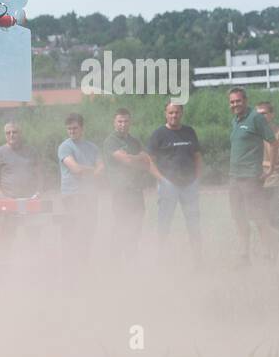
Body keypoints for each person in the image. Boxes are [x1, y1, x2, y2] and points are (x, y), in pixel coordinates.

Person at [227, 87, 279, 263]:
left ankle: (270, 254)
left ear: (245, 100)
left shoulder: (256, 118)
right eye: (232, 101)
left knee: (259, 219)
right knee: (239, 218)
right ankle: (244, 255)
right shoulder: (235, 120)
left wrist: (270, 168)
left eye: (238, 101)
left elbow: (273, 142)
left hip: (251, 178)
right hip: (234, 178)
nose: (235, 104)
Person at [146, 102, 203, 262]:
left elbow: (198, 157)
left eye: (177, 112)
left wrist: (197, 179)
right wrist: (162, 180)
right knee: (164, 223)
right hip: (168, 186)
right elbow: (149, 161)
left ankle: (198, 259)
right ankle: (161, 258)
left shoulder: (189, 132)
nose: (174, 116)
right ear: (165, 113)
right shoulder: (159, 134)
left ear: (181, 113)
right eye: (170, 113)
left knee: (194, 223)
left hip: (189, 185)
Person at [100, 108, 150, 256]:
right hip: (120, 192)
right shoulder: (110, 141)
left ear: (130, 122)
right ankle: (115, 264)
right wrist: (136, 158)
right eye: (120, 121)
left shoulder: (134, 141)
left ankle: (131, 259)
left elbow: (146, 162)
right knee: (121, 227)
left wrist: (133, 159)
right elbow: (127, 160)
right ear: (114, 123)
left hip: (136, 191)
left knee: (136, 227)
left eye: (126, 121)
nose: (123, 124)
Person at [57, 113, 104, 262]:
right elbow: (76, 169)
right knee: (74, 233)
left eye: (75, 128)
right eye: (69, 129)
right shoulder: (64, 147)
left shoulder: (92, 147)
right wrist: (94, 170)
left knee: (89, 231)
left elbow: (102, 167)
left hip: (90, 195)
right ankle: (71, 264)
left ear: (82, 128)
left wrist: (95, 170)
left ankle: (84, 262)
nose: (72, 131)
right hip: (72, 196)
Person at [257, 100, 279, 227]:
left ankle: (277, 246)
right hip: (257, 180)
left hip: (276, 180)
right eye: (258, 114)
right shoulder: (253, 133)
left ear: (272, 114)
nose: (261, 117)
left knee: (276, 219)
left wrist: (269, 137)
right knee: (259, 219)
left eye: (264, 113)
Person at [0, 122, 39, 198]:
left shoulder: (31, 151)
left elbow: (39, 174)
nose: (11, 135)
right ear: (5, 135)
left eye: (14, 132)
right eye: (8, 133)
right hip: (8, 199)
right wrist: (1, 196)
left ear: (20, 133)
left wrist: (38, 191)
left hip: (29, 198)